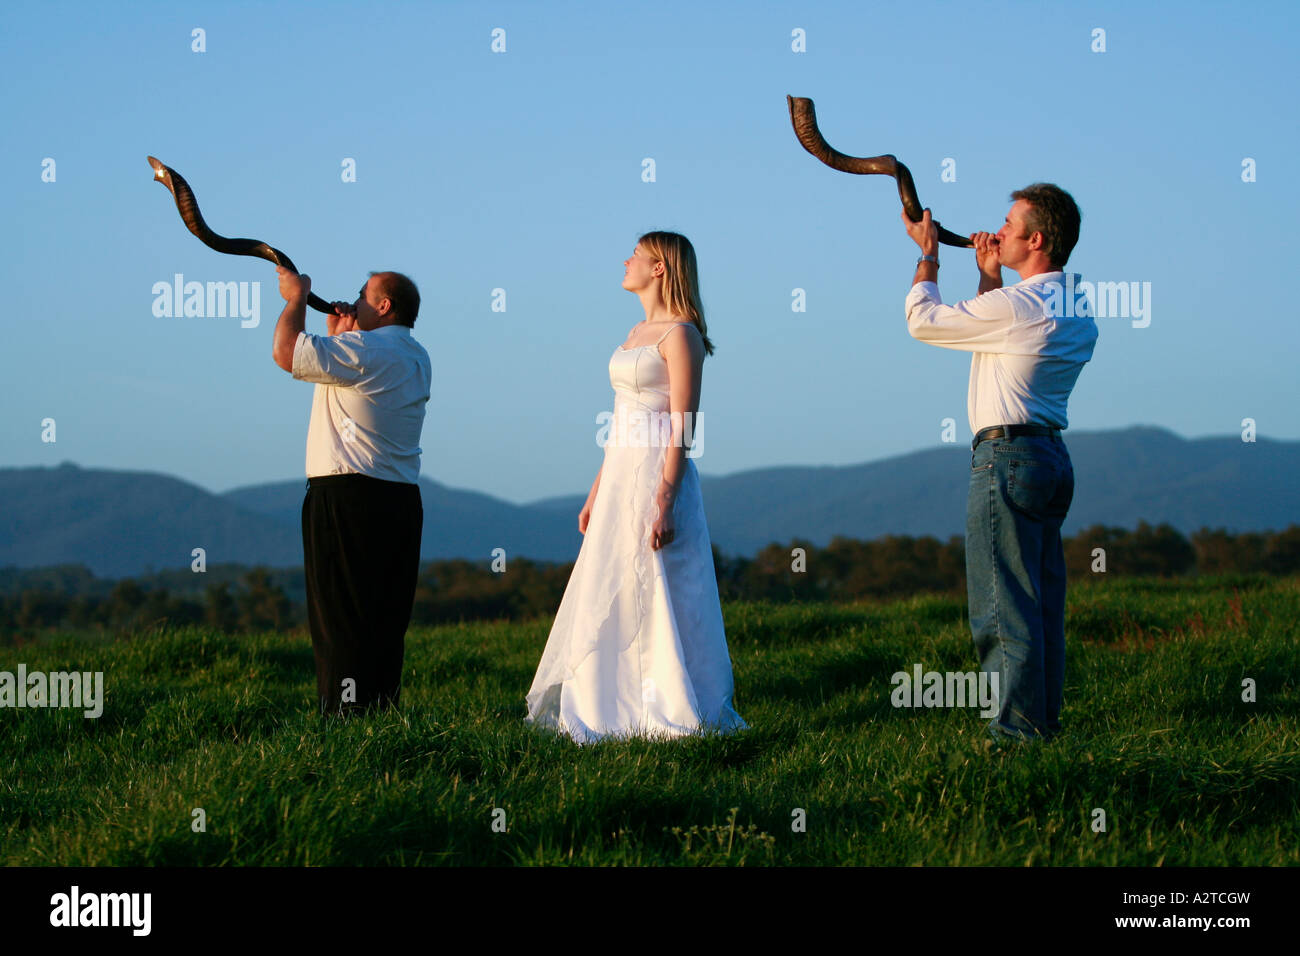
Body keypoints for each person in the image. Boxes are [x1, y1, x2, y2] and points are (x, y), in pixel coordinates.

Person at [525, 232, 747, 744]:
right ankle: (607, 706)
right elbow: (621, 421)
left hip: (657, 472)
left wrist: (666, 494)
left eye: (636, 256)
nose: (626, 262)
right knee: (611, 581)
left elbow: (684, 422)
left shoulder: (681, 334)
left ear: (661, 268)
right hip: (621, 471)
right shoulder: (634, 331)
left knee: (663, 583)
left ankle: (668, 704)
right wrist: (596, 489)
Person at [901, 184, 1098, 741]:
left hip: (1006, 459)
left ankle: (1016, 738)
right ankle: (1042, 728)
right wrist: (989, 276)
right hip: (1047, 457)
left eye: (1009, 224)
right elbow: (995, 338)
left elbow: (924, 321)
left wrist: (928, 253)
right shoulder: (1070, 305)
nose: (999, 230)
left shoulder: (1023, 306)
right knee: (1039, 607)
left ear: (1035, 239)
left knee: (1001, 606)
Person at [273, 267, 431, 715]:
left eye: (363, 295)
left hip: (346, 497)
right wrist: (339, 336)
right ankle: (379, 714)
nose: (354, 300)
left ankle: (344, 723)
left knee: (340, 617)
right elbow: (352, 382)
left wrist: (296, 299)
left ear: (383, 306)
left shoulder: (365, 350)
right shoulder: (416, 355)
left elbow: (286, 352)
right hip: (399, 500)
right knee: (382, 616)